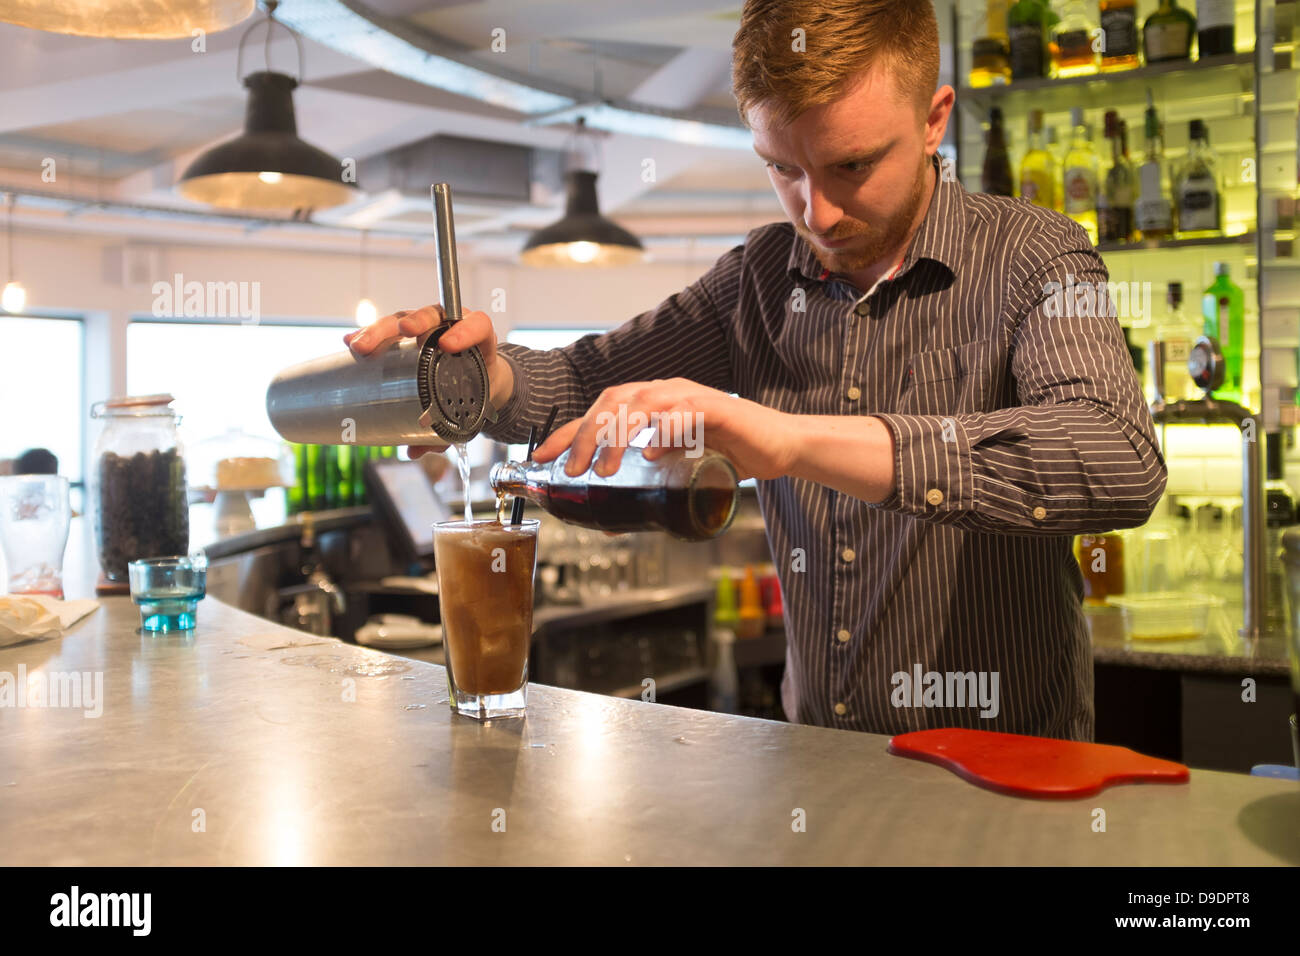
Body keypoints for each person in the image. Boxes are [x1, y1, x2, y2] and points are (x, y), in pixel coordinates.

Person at [347, 0, 1166, 742]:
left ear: (934, 120)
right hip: (820, 771)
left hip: (1009, 782)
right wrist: (488, 380)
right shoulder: (761, 277)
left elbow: (1115, 459)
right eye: (783, 169)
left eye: (852, 165)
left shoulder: (1036, 256)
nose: (819, 212)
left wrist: (787, 439)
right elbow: (578, 380)